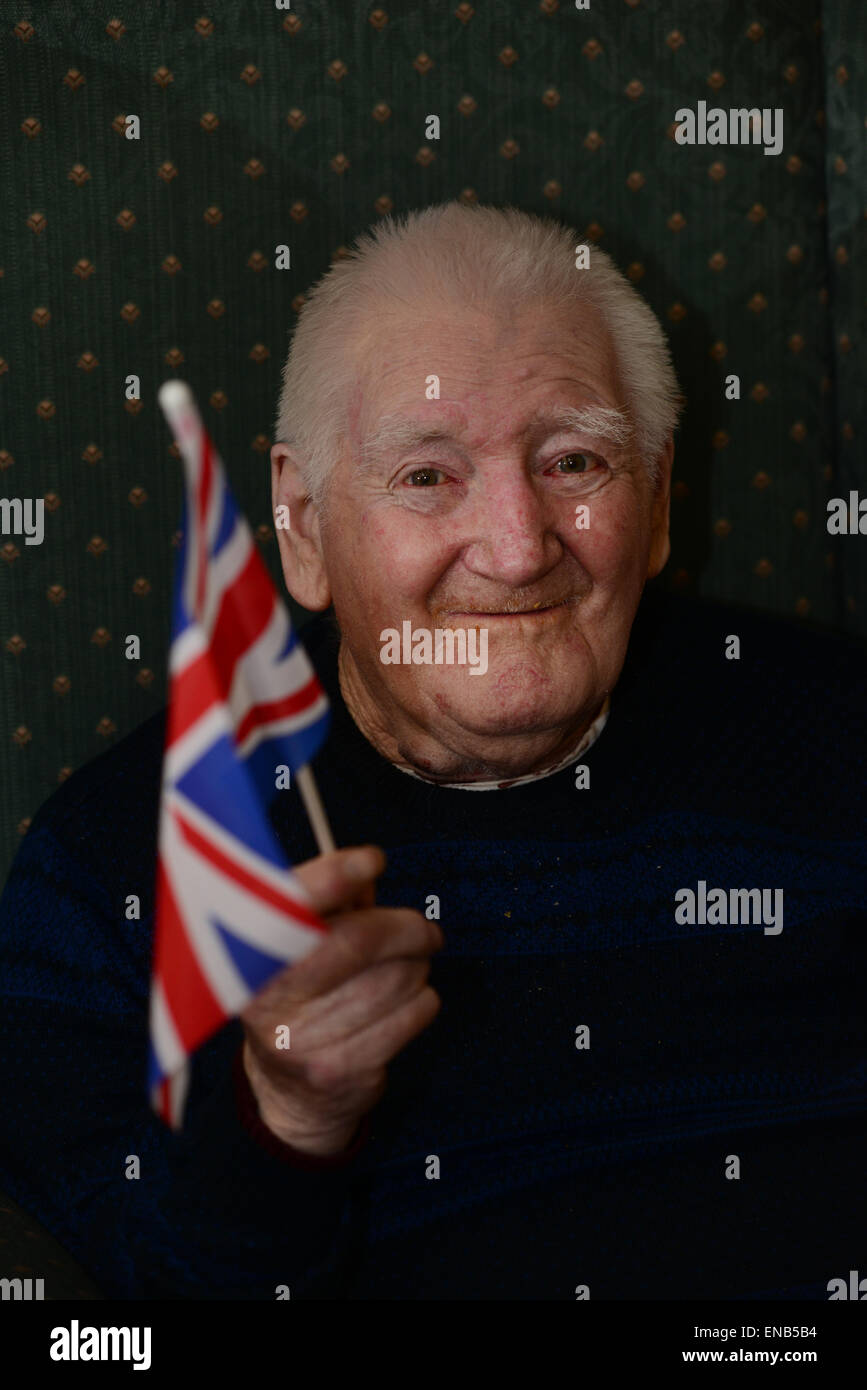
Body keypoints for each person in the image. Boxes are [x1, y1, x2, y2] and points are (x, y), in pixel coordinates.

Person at [0, 202, 864, 1300]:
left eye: (574, 460)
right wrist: (287, 1120)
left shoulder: (834, 729)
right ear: (303, 527)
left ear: (653, 509)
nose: (516, 548)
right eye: (427, 475)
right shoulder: (117, 871)